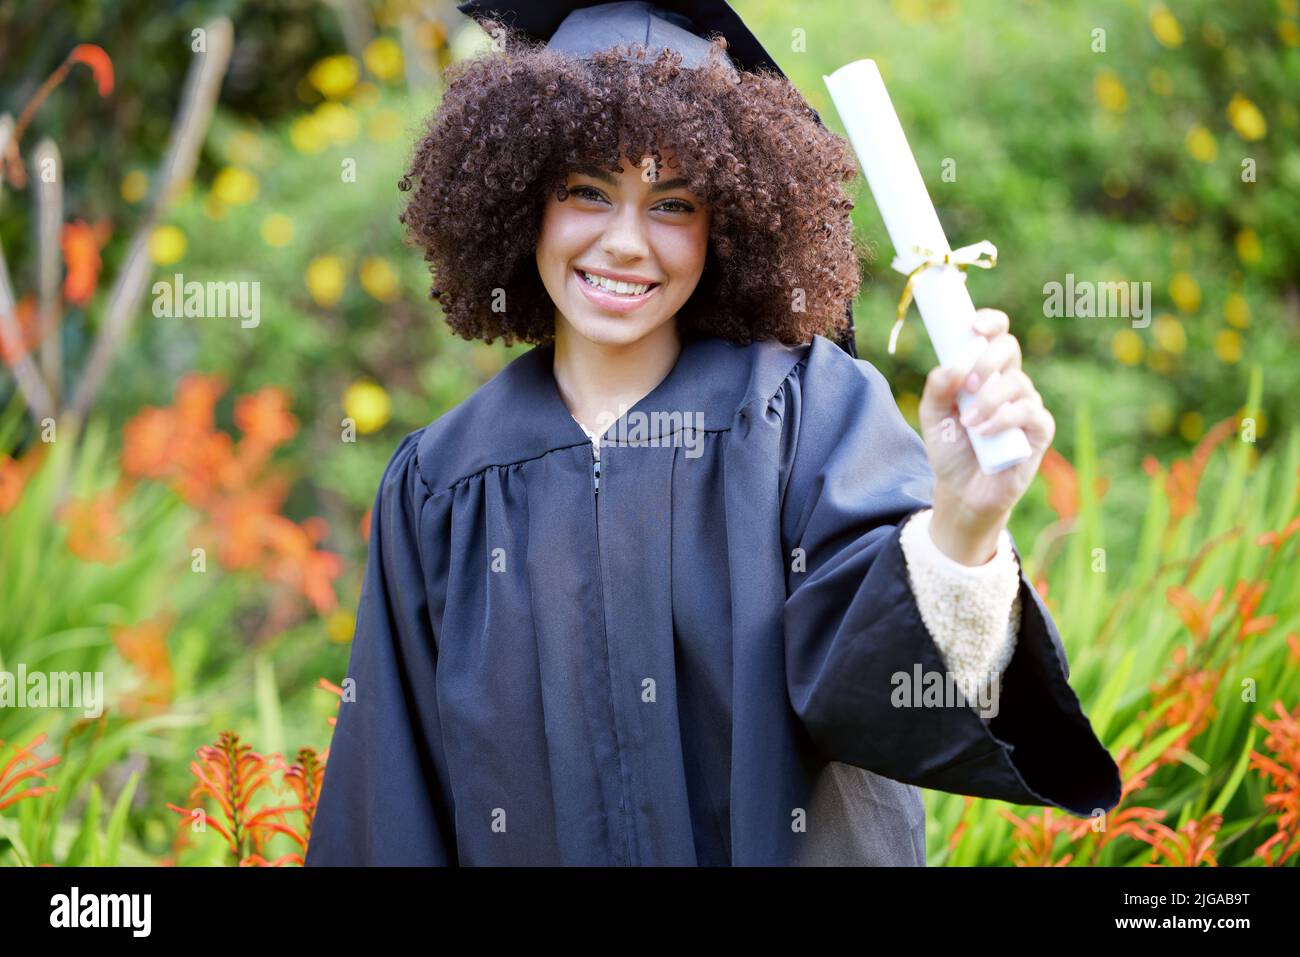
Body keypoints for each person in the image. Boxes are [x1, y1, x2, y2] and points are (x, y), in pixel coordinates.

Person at [305, 1, 1121, 867]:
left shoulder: (806, 414)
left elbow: (880, 692)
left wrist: (963, 520)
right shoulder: (443, 484)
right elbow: (390, 800)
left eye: (673, 202)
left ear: (728, 224)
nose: (624, 243)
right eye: (586, 190)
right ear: (518, 197)